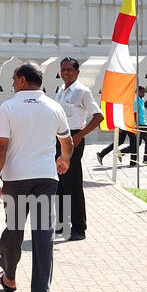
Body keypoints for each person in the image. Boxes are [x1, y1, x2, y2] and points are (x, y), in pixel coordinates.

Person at [0, 62, 73, 292]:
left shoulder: (9, 107)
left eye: (15, 79)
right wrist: (64, 160)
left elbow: (1, 146)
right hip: (46, 177)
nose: (13, 84)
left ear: (24, 81)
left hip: (16, 177)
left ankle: (10, 276)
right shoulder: (53, 106)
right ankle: (41, 291)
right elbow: (66, 141)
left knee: (14, 229)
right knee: (43, 232)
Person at [54, 56, 103, 240]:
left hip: (74, 138)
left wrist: (79, 136)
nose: (66, 73)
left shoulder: (82, 91)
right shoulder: (61, 90)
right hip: (59, 137)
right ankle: (60, 223)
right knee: (59, 182)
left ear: (77, 72)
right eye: (63, 69)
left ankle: (79, 227)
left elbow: (98, 116)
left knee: (73, 184)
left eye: (69, 70)